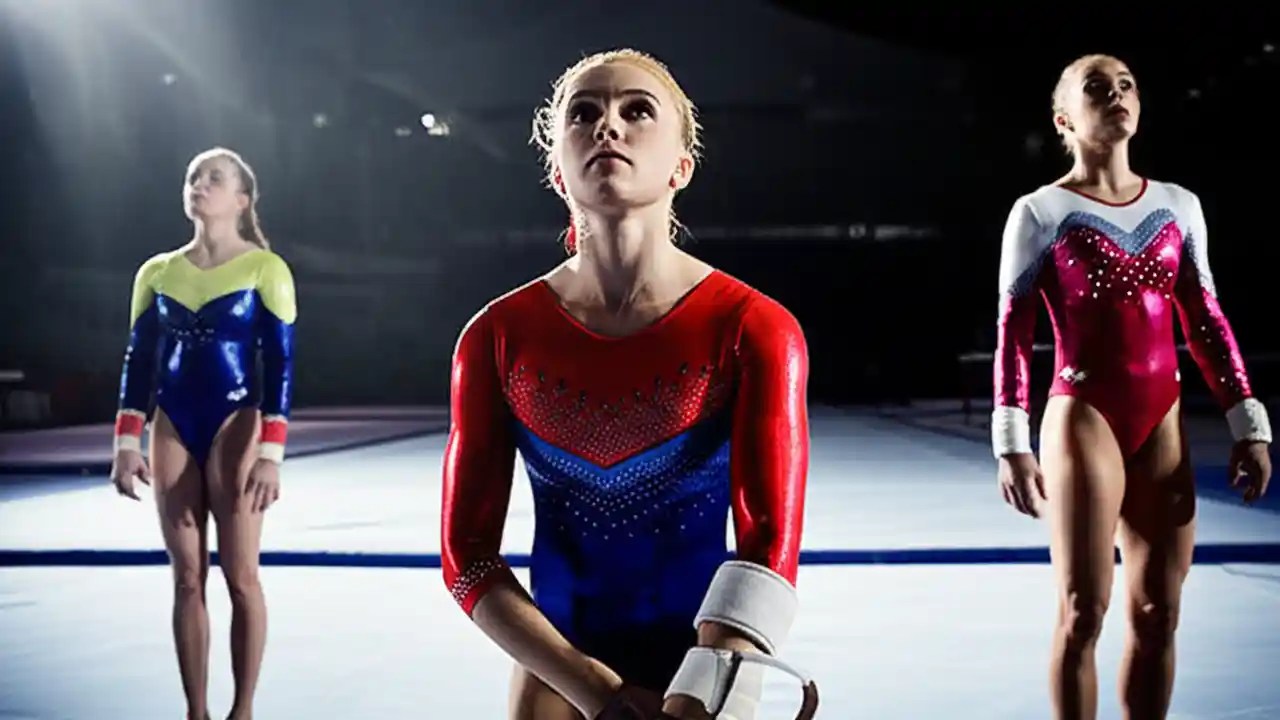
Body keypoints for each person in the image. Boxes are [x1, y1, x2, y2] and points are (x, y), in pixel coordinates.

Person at [440, 49, 813, 719]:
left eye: (636, 110)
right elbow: (466, 556)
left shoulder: (754, 327)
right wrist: (597, 690)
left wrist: (700, 696)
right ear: (557, 169)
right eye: (583, 114)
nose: (607, 125)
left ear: (681, 165)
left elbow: (769, 542)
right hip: (561, 663)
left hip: (713, 656)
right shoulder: (496, 337)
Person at [992, 54, 1272, 719]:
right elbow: (1012, 331)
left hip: (1162, 418)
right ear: (1065, 118)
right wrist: (1011, 441)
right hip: (1083, 412)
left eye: (1127, 86)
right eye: (1097, 89)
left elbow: (1205, 321)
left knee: (1158, 612)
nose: (1116, 95)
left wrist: (1248, 425)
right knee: (1085, 610)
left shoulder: (1180, 205)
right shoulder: (1040, 210)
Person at [109, 147, 297, 720]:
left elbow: (281, 364)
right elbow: (138, 360)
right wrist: (125, 443)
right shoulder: (157, 271)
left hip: (236, 422)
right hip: (172, 422)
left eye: (214, 178)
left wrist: (271, 454)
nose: (199, 184)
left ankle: (242, 710)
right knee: (187, 578)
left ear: (241, 200)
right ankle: (196, 711)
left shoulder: (266, 268)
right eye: (193, 176)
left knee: (240, 576)